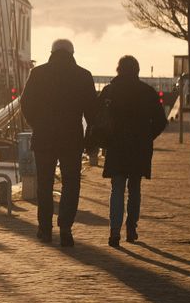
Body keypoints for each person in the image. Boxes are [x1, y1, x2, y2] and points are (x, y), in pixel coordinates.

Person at [19, 38, 97, 246]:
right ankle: (65, 228)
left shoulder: (38, 73)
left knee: (44, 184)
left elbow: (25, 103)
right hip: (71, 138)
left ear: (52, 52)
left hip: (44, 137)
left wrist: (36, 123)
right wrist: (91, 140)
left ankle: (44, 229)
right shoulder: (83, 76)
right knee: (71, 184)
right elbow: (92, 112)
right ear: (72, 53)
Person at [94, 55, 168, 247]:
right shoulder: (147, 92)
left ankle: (114, 231)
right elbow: (161, 120)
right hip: (139, 147)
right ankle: (131, 228)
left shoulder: (110, 91)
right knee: (135, 188)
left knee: (117, 187)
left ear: (118, 69)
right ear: (137, 70)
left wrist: (102, 141)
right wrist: (147, 136)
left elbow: (97, 116)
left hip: (116, 146)